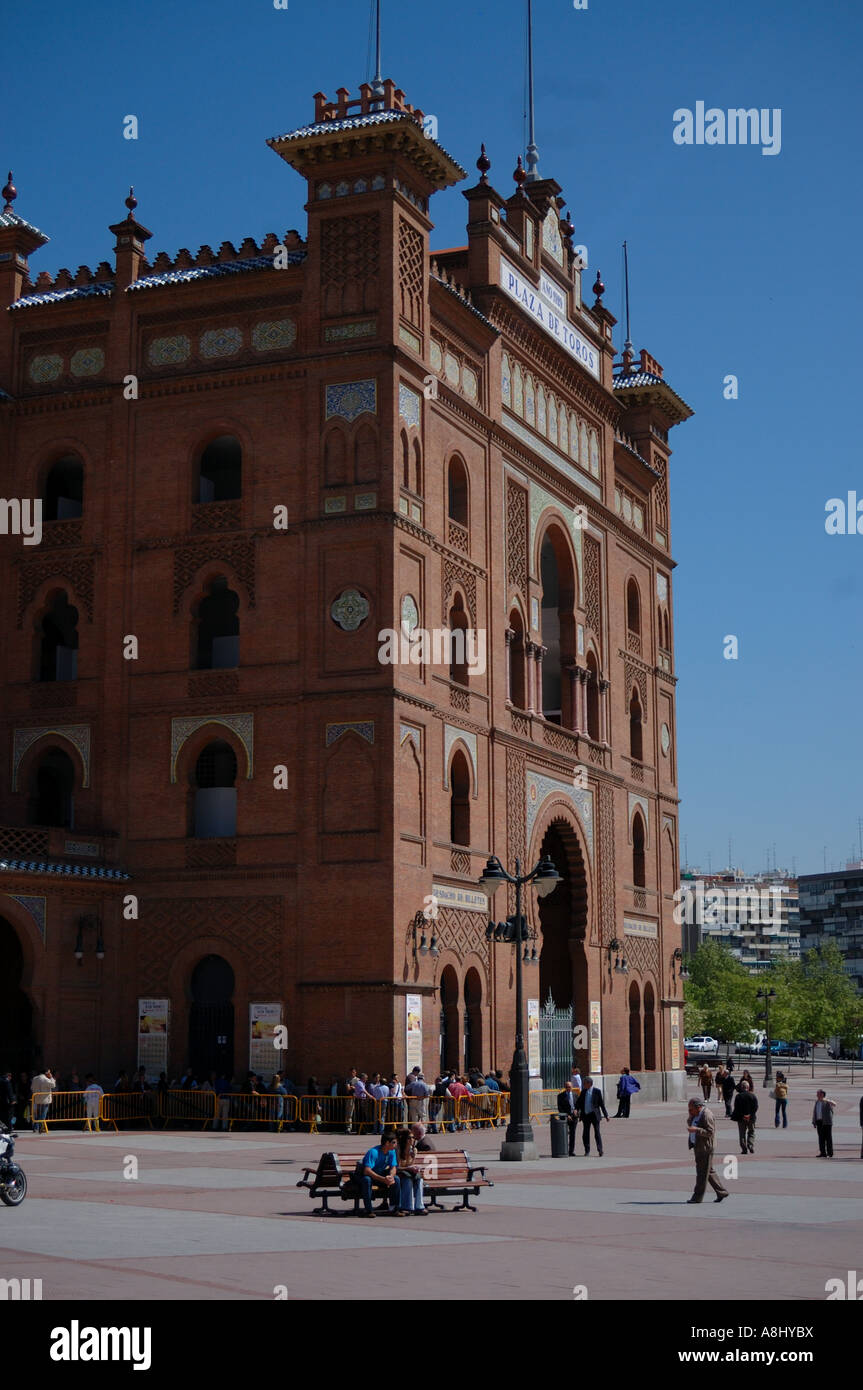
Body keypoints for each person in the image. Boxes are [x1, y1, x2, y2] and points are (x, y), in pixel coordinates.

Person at [686, 1097, 730, 1204]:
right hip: (698, 1146)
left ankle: (697, 1197)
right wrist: (690, 1116)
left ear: (698, 1107)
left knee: (701, 1173)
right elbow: (690, 1122)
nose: (689, 1111)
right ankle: (721, 1192)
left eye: (691, 1109)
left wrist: (696, 1130)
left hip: (706, 1148)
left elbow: (710, 1132)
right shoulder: (696, 1114)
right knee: (708, 1171)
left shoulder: (707, 1115)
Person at [357, 1133, 399, 1217]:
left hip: (378, 1174)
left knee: (396, 1179)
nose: (396, 1145)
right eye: (394, 1142)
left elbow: (393, 1167)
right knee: (367, 1180)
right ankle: (369, 1210)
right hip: (364, 1175)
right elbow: (367, 1171)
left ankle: (394, 1208)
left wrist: (390, 1176)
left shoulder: (391, 1151)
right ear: (387, 1143)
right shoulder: (373, 1152)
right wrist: (383, 1179)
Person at [395, 1127, 427, 1214]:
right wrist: (409, 1168)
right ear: (405, 1139)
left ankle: (419, 1206)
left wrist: (415, 1167)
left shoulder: (414, 1150)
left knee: (419, 1179)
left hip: (407, 1172)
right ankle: (407, 1206)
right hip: (398, 1173)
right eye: (410, 1137)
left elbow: (410, 1165)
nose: (413, 1139)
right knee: (407, 1180)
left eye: (413, 1137)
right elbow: (396, 1167)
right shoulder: (398, 1150)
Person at [574, 1076, 609, 1156]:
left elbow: (601, 1104)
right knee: (585, 1133)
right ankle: (587, 1150)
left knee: (597, 1132)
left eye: (584, 1084)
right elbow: (578, 1103)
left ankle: (600, 1150)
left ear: (589, 1084)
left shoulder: (597, 1091)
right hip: (586, 1115)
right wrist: (576, 1109)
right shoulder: (583, 1092)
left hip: (594, 1115)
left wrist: (606, 1115)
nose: (583, 1085)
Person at [731, 1080, 758, 1154]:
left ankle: (744, 1148)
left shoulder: (738, 1096)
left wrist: (743, 1115)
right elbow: (755, 1107)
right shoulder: (752, 1095)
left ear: (742, 1087)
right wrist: (749, 1114)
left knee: (742, 1133)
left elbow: (736, 1108)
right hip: (751, 1118)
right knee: (751, 1131)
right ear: (748, 1087)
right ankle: (750, 1144)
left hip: (741, 1118)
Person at [30, 1067, 56, 1134]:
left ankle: (35, 1127)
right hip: (44, 1100)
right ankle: (41, 1128)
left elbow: (32, 1088)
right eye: (49, 1072)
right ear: (47, 1073)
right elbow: (53, 1085)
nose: (50, 1074)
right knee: (43, 1114)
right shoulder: (46, 1079)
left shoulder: (34, 1078)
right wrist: (51, 1077)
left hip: (36, 1099)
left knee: (38, 1114)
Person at [557, 1081, 579, 1155]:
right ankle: (564, 1149)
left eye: (569, 1087)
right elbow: (560, 1108)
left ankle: (571, 1151)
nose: (568, 1088)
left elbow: (578, 1105)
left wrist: (577, 1110)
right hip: (565, 1117)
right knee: (564, 1134)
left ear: (572, 1087)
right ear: (565, 1087)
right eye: (567, 1087)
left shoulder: (575, 1095)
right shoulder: (560, 1096)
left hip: (574, 1117)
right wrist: (566, 1115)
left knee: (572, 1134)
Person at [812, 1089, 835, 1157]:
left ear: (822, 1094)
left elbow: (835, 1104)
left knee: (828, 1138)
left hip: (827, 1122)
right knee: (821, 1138)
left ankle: (830, 1153)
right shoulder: (817, 1102)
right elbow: (815, 1112)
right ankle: (823, 1153)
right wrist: (814, 1121)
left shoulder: (827, 1101)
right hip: (819, 1122)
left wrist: (826, 1100)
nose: (817, 1095)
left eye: (818, 1094)